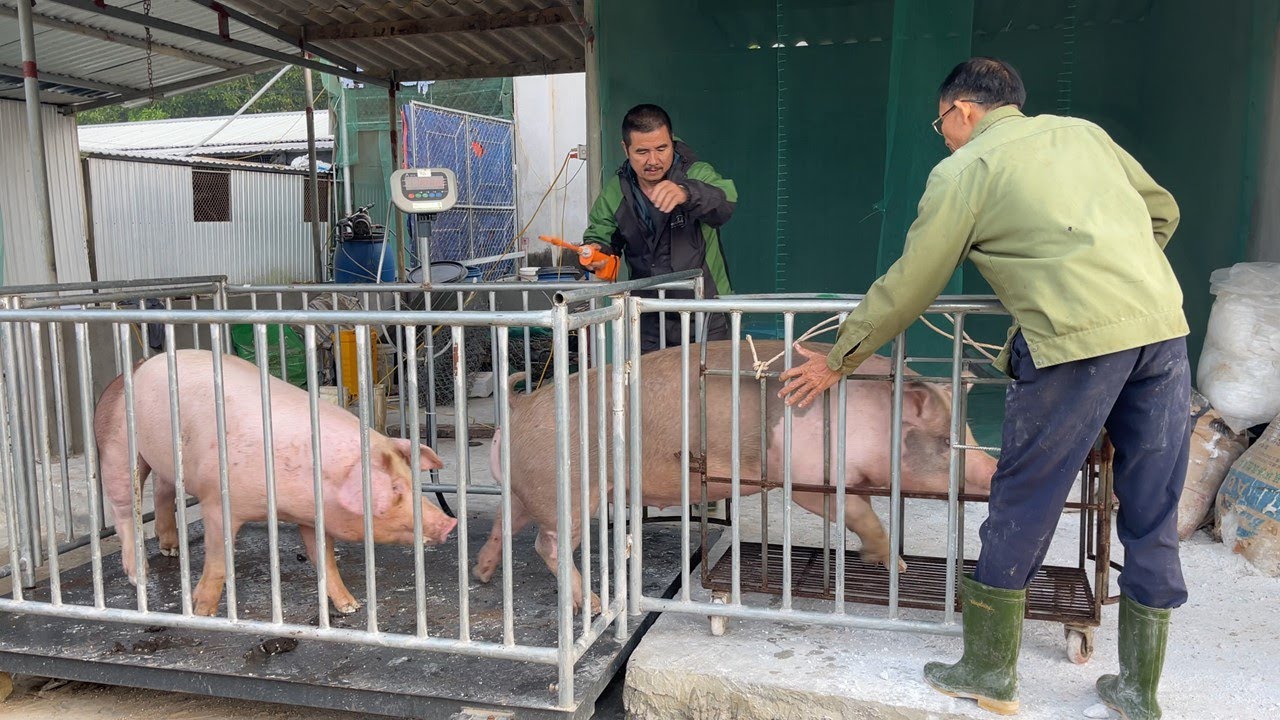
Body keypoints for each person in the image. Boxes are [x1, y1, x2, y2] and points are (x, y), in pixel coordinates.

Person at [779, 57, 1190, 719]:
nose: (941, 135)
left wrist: (841, 357)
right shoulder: (1083, 134)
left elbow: (913, 281)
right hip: (1162, 332)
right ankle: (1140, 692)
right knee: (1152, 504)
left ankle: (989, 672)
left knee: (1024, 495)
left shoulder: (965, 169)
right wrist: (1121, 273)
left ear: (962, 112)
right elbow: (1161, 214)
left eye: (940, 123)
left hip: (1074, 342)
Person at [582, 104, 737, 351]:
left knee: (710, 387)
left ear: (672, 142)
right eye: (642, 151)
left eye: (662, 149)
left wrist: (686, 193)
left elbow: (725, 202)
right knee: (648, 388)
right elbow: (601, 235)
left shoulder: (696, 172)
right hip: (648, 317)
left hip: (707, 312)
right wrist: (596, 253)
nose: (653, 161)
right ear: (626, 148)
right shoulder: (616, 191)